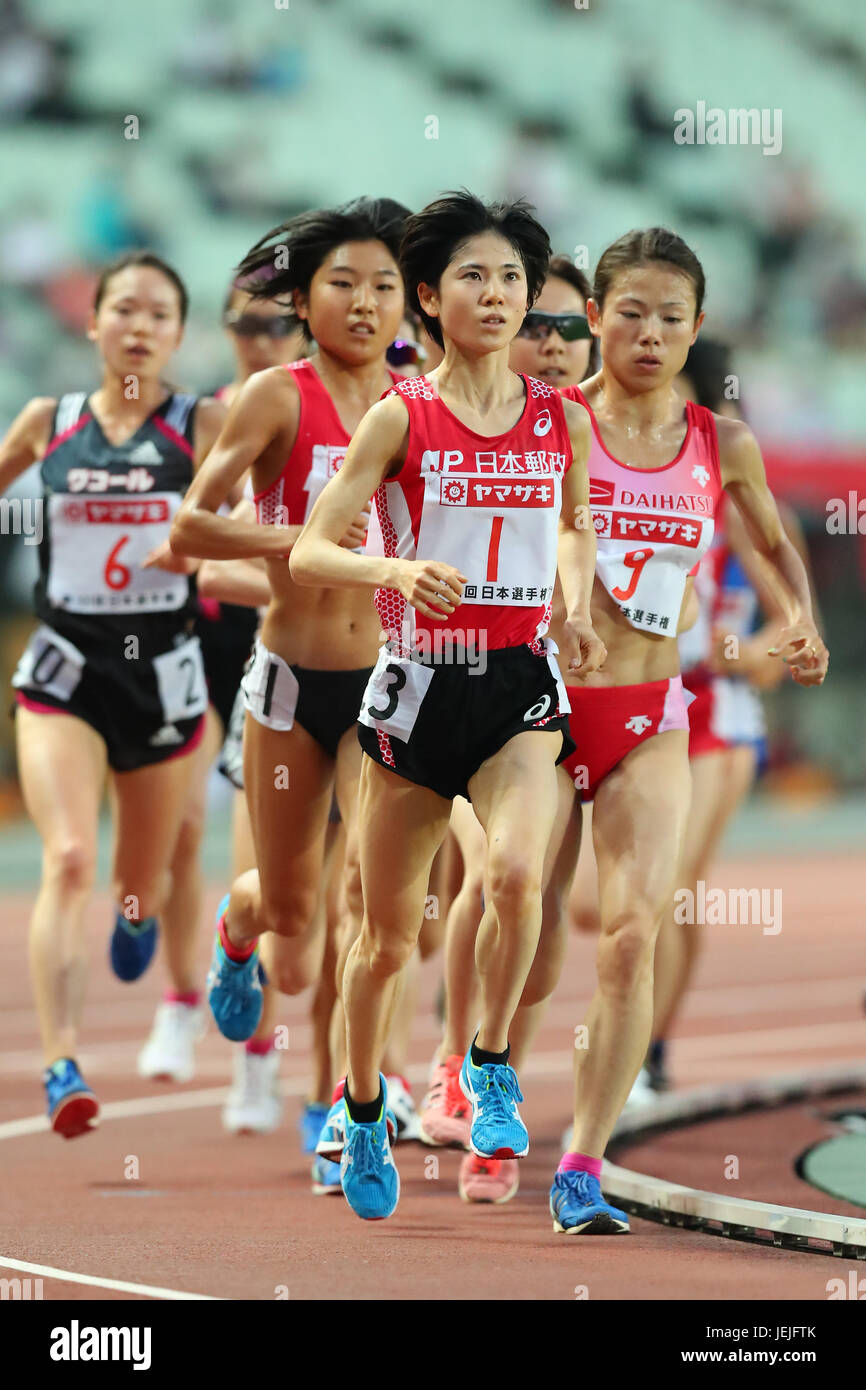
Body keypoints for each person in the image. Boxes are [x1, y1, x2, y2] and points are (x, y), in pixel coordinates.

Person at [288, 191, 605, 1221]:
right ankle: (365, 1104)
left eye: (512, 278)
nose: (498, 294)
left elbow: (569, 523)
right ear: (429, 296)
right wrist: (392, 565)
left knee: (514, 874)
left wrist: (572, 602)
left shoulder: (558, 414)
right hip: (417, 684)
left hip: (517, 681)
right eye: (474, 275)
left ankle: (489, 1062)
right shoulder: (399, 414)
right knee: (381, 940)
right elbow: (309, 547)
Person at [546, 227, 827, 1233]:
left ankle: (584, 1152)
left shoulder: (720, 443)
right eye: (629, 311)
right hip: (535, 709)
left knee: (633, 927)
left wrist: (793, 621)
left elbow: (768, 541)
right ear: (592, 316)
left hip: (669, 708)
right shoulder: (550, 422)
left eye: (671, 316)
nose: (650, 331)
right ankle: (473, 1065)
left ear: (696, 326)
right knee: (527, 915)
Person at [170, 198, 411, 1191]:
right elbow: (191, 529)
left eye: (383, 286)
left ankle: (339, 1112)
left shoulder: (419, 402)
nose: (362, 303)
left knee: (371, 909)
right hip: (288, 678)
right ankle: (236, 924)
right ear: (305, 297)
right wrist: (297, 541)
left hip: (388, 682)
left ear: (410, 301)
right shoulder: (276, 395)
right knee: (295, 922)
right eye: (342, 284)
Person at [0, 251, 225, 1136]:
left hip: (162, 680)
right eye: (123, 309)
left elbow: (240, 529)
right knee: (66, 860)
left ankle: (138, 921)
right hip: (66, 670)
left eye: (158, 313)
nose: (138, 325)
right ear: (92, 324)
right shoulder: (46, 421)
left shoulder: (198, 424)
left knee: (145, 881)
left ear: (177, 334)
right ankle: (63, 1064)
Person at [420, 255, 599, 1204]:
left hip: (571, 699)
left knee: (538, 933)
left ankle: (494, 1065)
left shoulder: (608, 424)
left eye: (576, 331)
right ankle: (458, 1068)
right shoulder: (470, 410)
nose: (558, 347)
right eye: (544, 329)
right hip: (450, 686)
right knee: (488, 877)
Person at [136, 276, 300, 1088]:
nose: (257, 335)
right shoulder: (209, 416)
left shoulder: (325, 406)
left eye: (274, 321)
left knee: (297, 871)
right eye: (242, 321)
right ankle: (177, 1000)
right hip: (206, 640)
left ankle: (265, 1055)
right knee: (183, 827)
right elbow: (184, 544)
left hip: (294, 634)